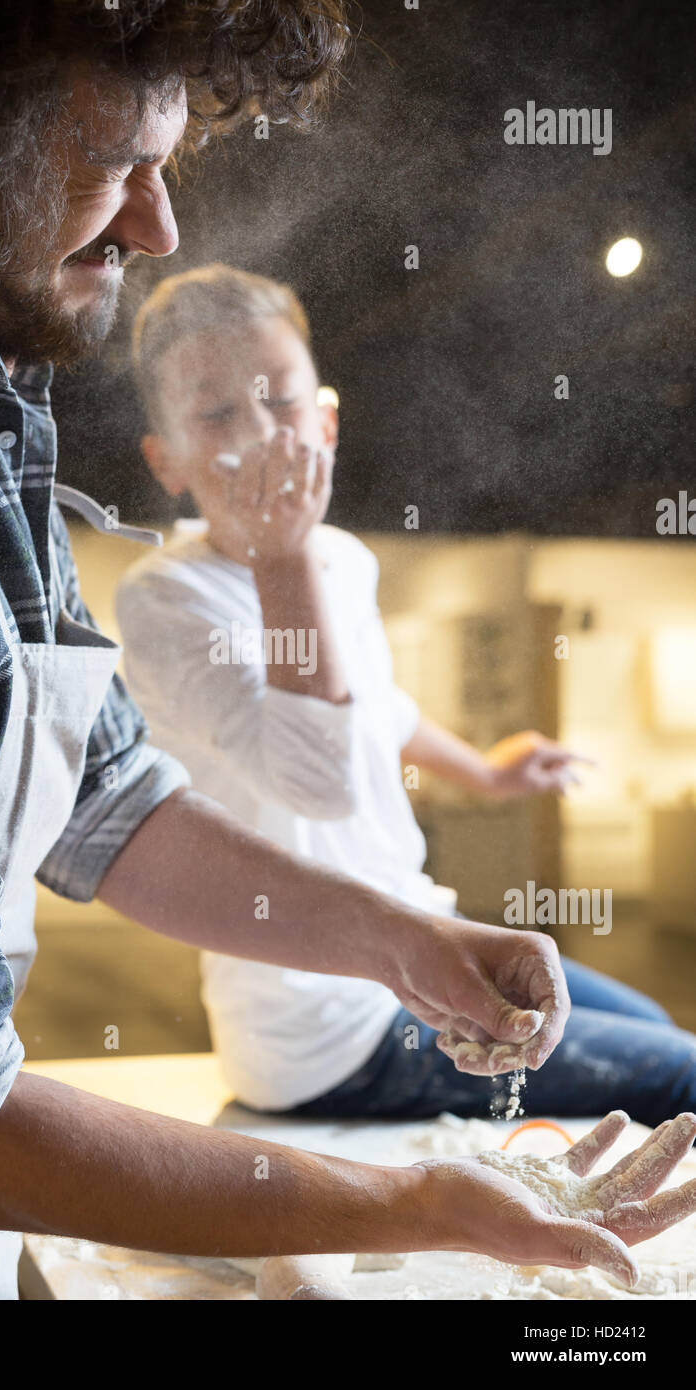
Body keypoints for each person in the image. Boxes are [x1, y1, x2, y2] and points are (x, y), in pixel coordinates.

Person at [0, 2, 692, 1301]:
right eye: (115, 164)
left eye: (165, 169)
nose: (155, 226)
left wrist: (413, 938)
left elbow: (108, 807)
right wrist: (423, 1199)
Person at [117, 262, 696, 1131]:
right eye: (216, 414)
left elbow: (378, 709)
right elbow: (319, 782)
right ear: (166, 462)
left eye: (281, 402)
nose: (262, 434)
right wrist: (281, 556)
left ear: (327, 422)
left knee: (651, 1027)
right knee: (684, 1077)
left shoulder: (341, 560)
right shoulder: (165, 597)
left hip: (420, 933)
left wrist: (487, 772)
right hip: (325, 1030)